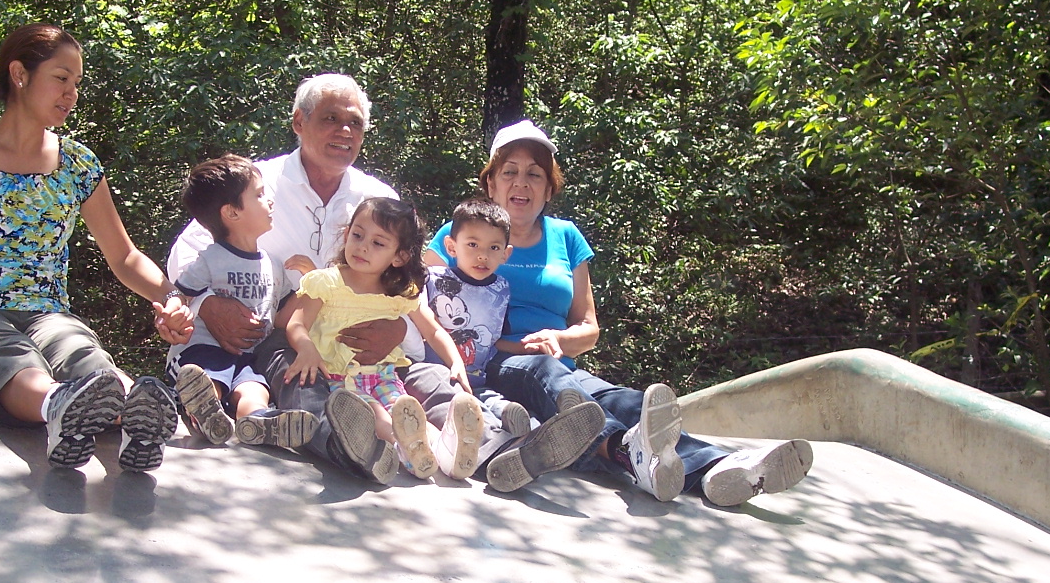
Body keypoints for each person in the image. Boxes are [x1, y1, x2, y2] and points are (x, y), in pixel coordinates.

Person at [166, 73, 599, 489]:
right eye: (331, 118)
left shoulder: (380, 198)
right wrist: (204, 305)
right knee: (304, 381)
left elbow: (417, 287)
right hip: (288, 336)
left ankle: (500, 450)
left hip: (385, 353)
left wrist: (401, 328)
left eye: (355, 122)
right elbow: (189, 258)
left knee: (432, 380)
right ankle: (349, 446)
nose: (344, 131)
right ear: (300, 122)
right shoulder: (257, 186)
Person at [427, 119, 814, 506]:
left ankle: (720, 469)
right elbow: (416, 303)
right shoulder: (461, 233)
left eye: (534, 173)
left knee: (628, 401)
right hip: (494, 363)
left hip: (560, 369)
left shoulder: (567, 237)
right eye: (509, 172)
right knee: (549, 377)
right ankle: (625, 451)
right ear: (491, 183)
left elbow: (589, 328)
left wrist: (559, 339)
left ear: (549, 187)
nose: (521, 183)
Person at [0, 23, 192, 472]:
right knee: (11, 359)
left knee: (85, 356)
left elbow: (123, 256)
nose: (72, 94)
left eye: (77, 84)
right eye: (61, 78)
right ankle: (58, 407)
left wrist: (169, 297)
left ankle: (137, 422)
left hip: (47, 313)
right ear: (19, 73)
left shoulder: (79, 164)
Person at [284, 198, 473, 479]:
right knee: (379, 416)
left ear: (399, 257)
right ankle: (407, 451)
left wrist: (455, 361)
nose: (362, 247)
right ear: (347, 234)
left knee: (407, 410)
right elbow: (296, 323)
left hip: (384, 376)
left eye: (378, 243)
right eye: (358, 235)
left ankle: (450, 452)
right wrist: (307, 348)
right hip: (341, 379)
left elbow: (432, 329)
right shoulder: (326, 282)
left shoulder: (399, 291)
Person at [168, 154, 314, 449]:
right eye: (259, 195)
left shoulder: (272, 264)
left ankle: (258, 422)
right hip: (204, 348)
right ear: (232, 213)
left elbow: (284, 317)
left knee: (253, 390)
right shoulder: (211, 259)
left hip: (248, 356)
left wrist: (314, 284)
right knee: (212, 383)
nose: (269, 201)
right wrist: (173, 312)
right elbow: (181, 293)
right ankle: (205, 411)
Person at [424, 198, 535, 436]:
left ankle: (518, 422)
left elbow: (494, 339)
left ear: (506, 254)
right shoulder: (432, 280)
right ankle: (492, 432)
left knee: (491, 398)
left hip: (478, 376)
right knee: (462, 402)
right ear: (451, 247)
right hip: (438, 372)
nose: (483, 255)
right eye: (473, 244)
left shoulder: (501, 289)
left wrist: (526, 348)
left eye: (493, 248)